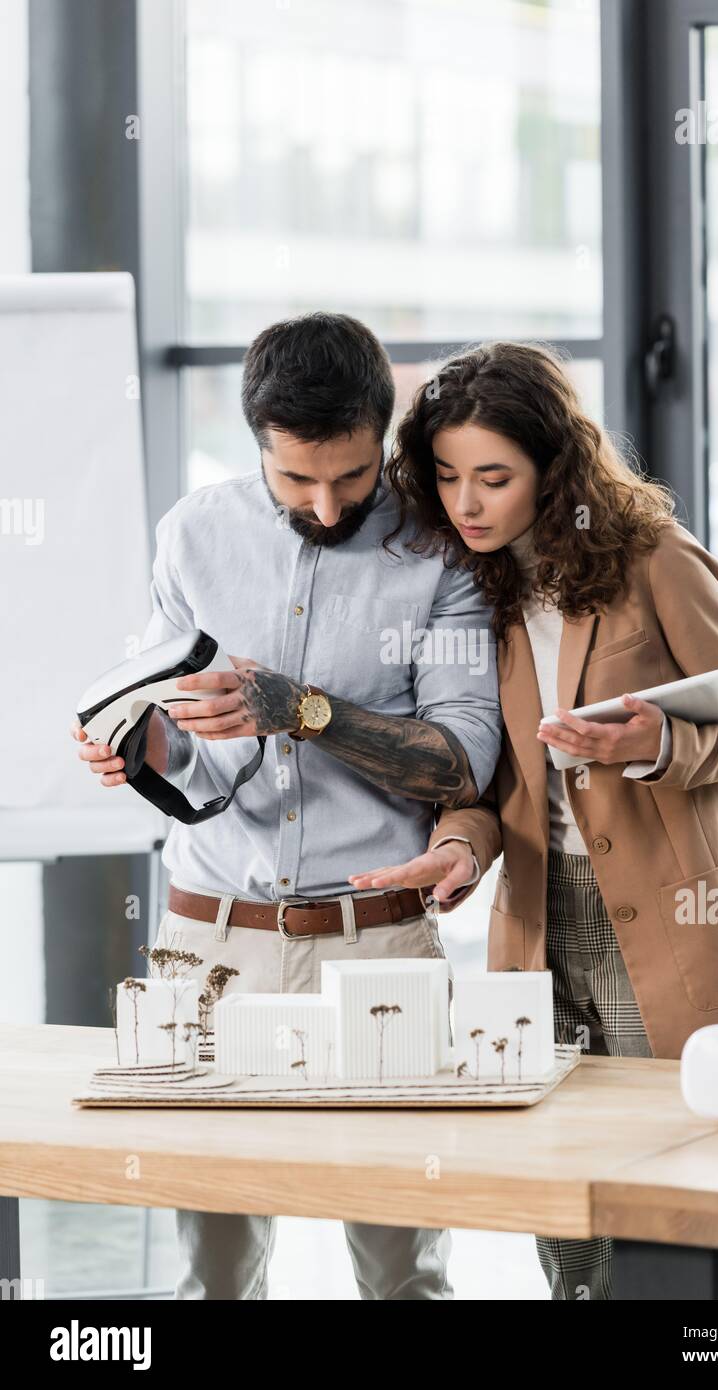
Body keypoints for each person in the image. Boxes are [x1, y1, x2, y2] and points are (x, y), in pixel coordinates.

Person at [349, 340, 718, 1300]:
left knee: (671, 1205)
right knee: (561, 1218)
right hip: (535, 929)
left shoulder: (655, 562)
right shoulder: (471, 590)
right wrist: (457, 849)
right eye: (446, 476)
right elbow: (477, 782)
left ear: (553, 471)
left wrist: (652, 744)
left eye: (493, 478)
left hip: (670, 926)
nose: (466, 503)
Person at [71, 312, 502, 1300]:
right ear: (255, 440)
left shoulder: (441, 554)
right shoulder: (194, 532)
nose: (320, 503)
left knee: (405, 1268)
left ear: (382, 437)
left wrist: (302, 711)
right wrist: (141, 745)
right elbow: (174, 714)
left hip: (378, 943)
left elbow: (464, 758)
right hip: (209, 935)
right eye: (293, 477)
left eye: (349, 480)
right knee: (211, 1265)